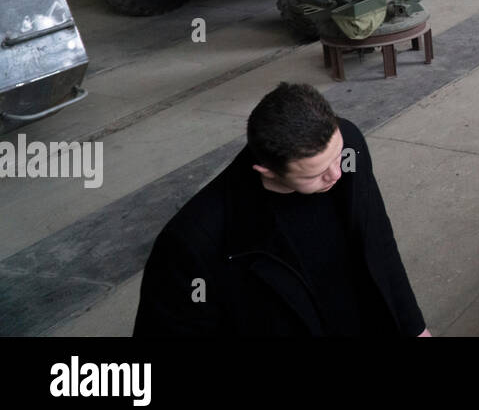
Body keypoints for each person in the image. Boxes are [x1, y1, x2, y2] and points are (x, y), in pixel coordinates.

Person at [135, 82, 430, 336]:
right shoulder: (193, 243)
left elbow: (378, 241)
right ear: (267, 171)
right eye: (315, 174)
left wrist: (414, 328)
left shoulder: (348, 145)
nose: (336, 174)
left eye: (336, 156)